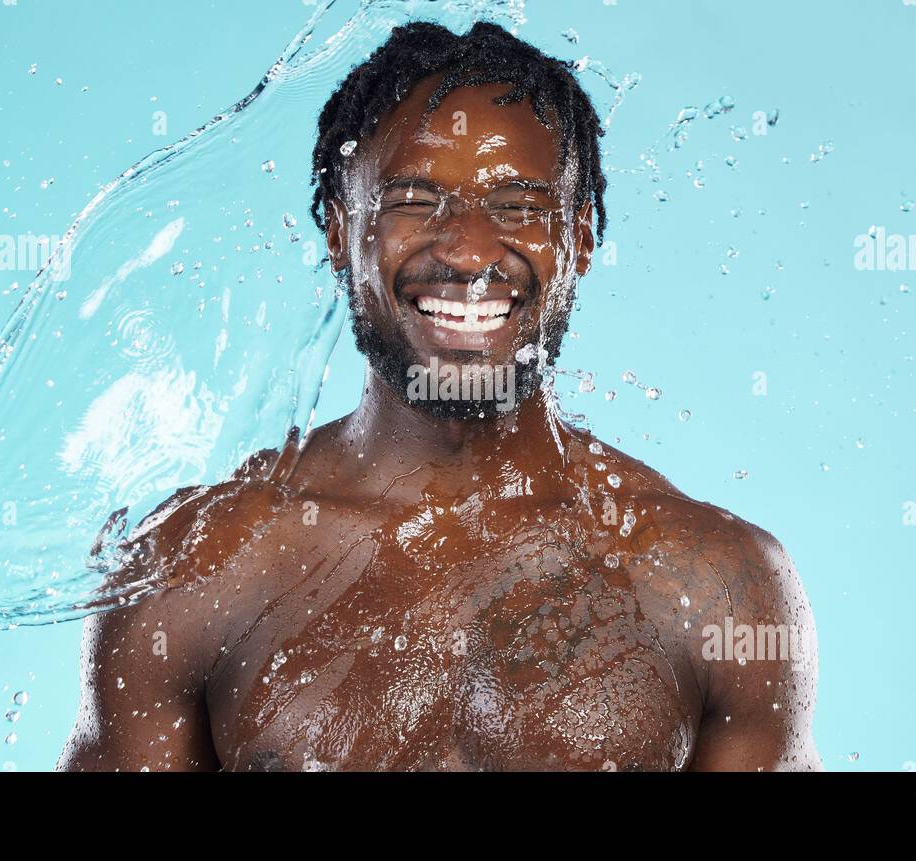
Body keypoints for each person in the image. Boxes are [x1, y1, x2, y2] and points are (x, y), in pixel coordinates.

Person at [59, 21, 820, 772]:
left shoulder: (717, 587)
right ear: (338, 230)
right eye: (414, 200)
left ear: (580, 238)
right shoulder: (197, 567)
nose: (467, 250)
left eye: (520, 206)